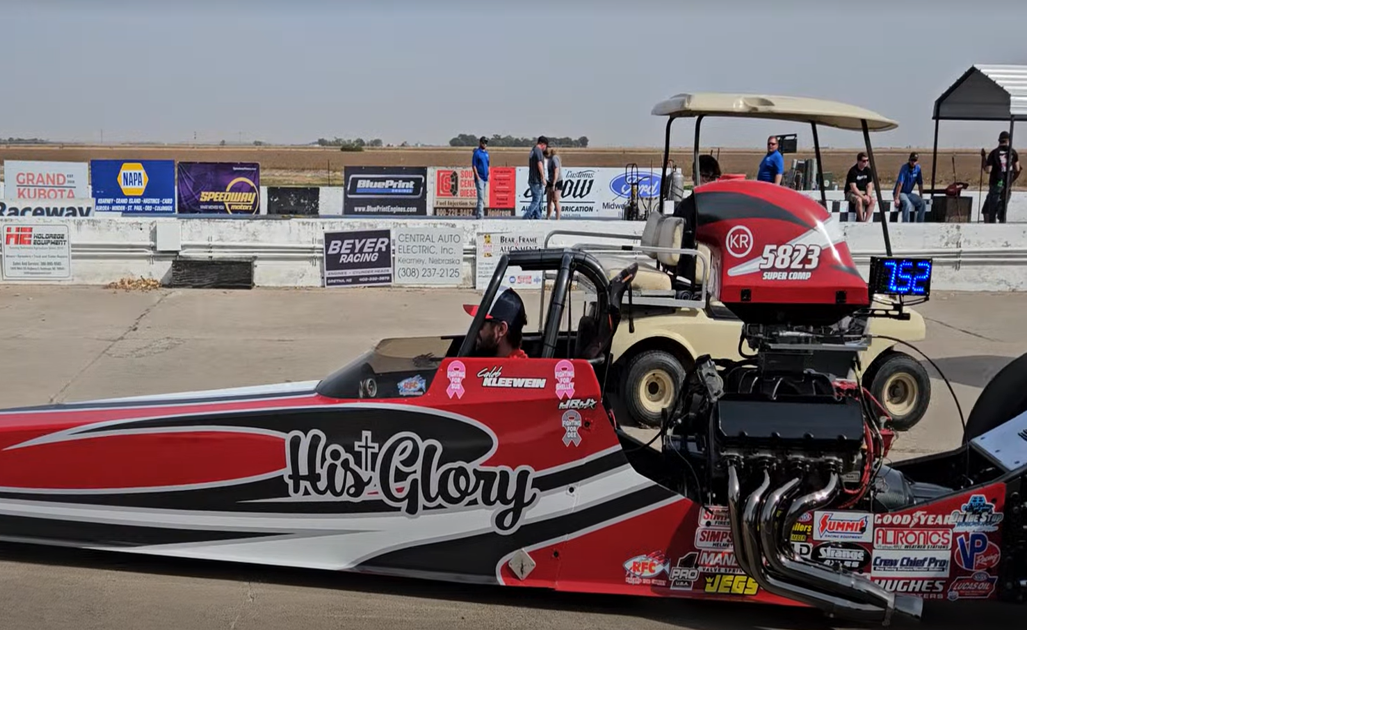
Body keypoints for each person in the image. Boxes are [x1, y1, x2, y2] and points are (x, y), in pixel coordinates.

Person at [463, 287, 529, 358]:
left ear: (501, 329)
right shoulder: (498, 364)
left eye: (481, 323)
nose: (475, 330)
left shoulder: (516, 368)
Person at [982, 131, 1021, 223]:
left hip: (996, 183)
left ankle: (990, 224)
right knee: (1000, 205)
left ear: (999, 140)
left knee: (991, 208)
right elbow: (1017, 168)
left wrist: (984, 158)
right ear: (1008, 141)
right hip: (1007, 184)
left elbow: (988, 170)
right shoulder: (1013, 152)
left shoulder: (994, 153)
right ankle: (1000, 220)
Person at [893, 152, 925, 222]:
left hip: (909, 193)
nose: (913, 162)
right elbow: (900, 183)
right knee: (907, 203)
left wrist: (921, 196)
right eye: (912, 160)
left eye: (915, 161)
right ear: (909, 160)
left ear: (917, 161)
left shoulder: (918, 169)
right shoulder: (904, 168)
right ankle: (905, 223)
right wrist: (896, 198)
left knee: (922, 203)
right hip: (901, 192)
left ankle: (920, 223)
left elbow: (920, 184)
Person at [523, 136, 549, 219]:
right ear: (543, 144)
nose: (546, 148)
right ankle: (527, 216)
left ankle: (538, 217)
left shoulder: (533, 150)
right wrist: (543, 178)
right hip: (536, 179)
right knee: (537, 199)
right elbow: (539, 164)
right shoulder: (538, 151)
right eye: (546, 146)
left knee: (539, 200)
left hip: (532, 178)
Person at [845, 152, 876, 221]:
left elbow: (869, 185)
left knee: (873, 200)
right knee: (859, 200)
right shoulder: (853, 171)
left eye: (867, 160)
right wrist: (863, 197)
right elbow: (853, 187)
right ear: (858, 161)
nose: (866, 162)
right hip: (851, 192)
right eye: (864, 161)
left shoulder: (868, 171)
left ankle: (866, 220)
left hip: (863, 191)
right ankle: (861, 220)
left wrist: (868, 196)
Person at [471, 137, 490, 218]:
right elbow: (474, 165)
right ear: (480, 143)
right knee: (481, 198)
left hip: (485, 178)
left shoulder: (486, 153)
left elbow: (488, 164)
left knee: (482, 198)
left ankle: (478, 214)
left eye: (486, 143)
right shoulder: (477, 153)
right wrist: (477, 176)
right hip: (480, 178)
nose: (485, 144)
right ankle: (480, 215)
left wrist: (488, 173)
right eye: (483, 142)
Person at [545, 147, 563, 219]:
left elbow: (556, 171)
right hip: (550, 180)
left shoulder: (554, 158)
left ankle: (557, 218)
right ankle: (548, 217)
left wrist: (554, 183)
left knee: (555, 200)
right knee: (549, 200)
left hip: (557, 181)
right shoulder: (549, 159)